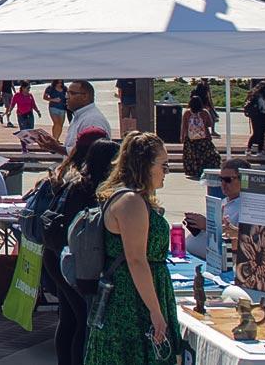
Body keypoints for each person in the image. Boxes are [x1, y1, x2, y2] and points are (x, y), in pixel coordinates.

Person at [85, 131, 180, 364]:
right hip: (131, 298)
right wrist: (155, 312)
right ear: (145, 165)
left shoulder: (135, 199)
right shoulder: (131, 202)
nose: (166, 172)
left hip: (140, 292)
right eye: (163, 165)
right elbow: (136, 260)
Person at [45, 134, 118, 364]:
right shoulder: (91, 190)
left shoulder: (74, 181)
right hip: (72, 261)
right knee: (83, 320)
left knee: (70, 318)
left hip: (57, 255)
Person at [184, 158, 250, 258]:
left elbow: (242, 241)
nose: (223, 184)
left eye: (228, 180)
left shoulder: (247, 207)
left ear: (244, 180)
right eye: (221, 179)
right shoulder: (224, 201)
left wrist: (207, 225)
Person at [36, 80, 110, 156]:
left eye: (71, 93)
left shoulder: (92, 120)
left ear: (85, 96)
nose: (66, 96)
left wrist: (56, 148)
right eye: (67, 93)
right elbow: (73, 147)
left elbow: (89, 152)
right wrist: (55, 147)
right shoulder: (79, 116)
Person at [180, 95, 221, 178]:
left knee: (193, 156)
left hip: (190, 139)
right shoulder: (204, 112)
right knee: (208, 155)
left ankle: (194, 172)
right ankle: (205, 169)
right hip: (204, 138)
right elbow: (210, 124)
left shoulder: (187, 113)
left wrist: (182, 136)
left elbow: (184, 126)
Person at [245, 81, 265, 156]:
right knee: (260, 133)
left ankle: (249, 149)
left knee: (256, 133)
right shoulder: (264, 97)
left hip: (255, 116)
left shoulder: (255, 95)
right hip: (262, 115)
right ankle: (260, 150)